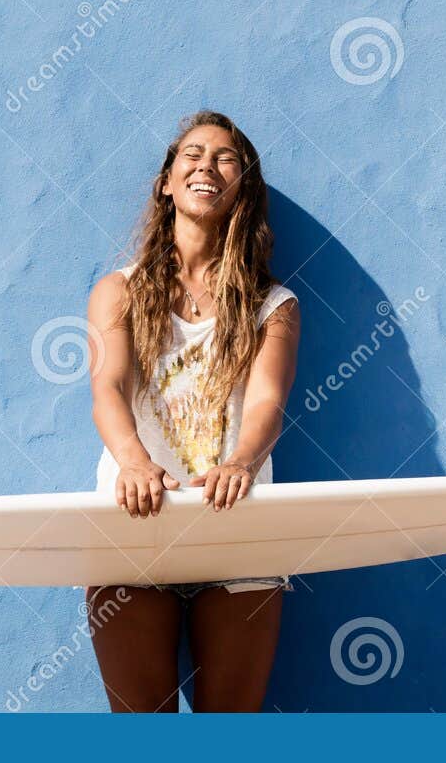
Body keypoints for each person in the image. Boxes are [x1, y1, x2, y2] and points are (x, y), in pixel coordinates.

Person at [84, 110, 301, 712]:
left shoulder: (273, 305)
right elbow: (108, 389)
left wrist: (243, 462)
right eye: (194, 154)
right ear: (166, 183)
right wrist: (133, 462)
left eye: (226, 158)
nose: (208, 164)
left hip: (239, 528)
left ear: (242, 190)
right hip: (135, 528)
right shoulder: (118, 291)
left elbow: (267, 401)